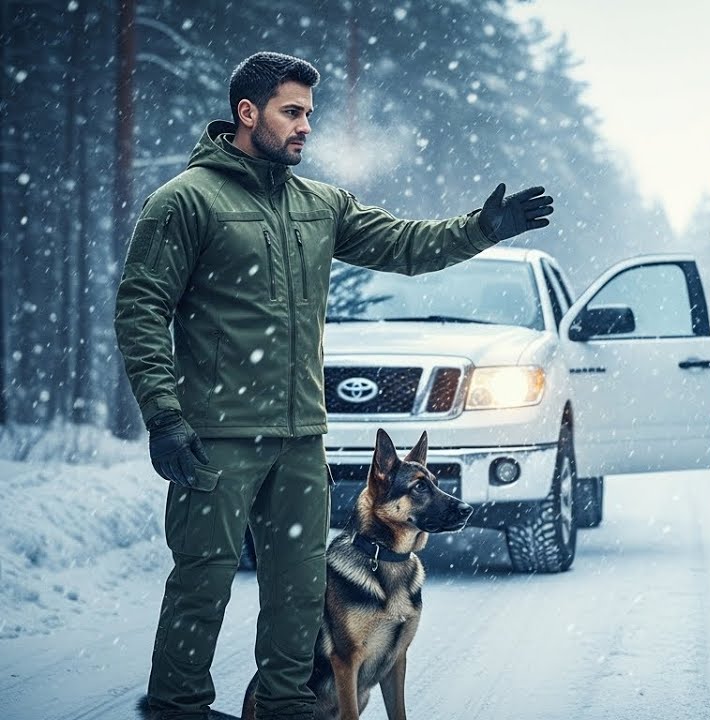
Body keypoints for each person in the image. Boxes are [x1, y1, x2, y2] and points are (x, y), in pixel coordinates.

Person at [114, 52, 554, 720]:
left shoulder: (319, 205)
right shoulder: (186, 201)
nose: (304, 127)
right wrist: (164, 415)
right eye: (291, 112)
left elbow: (407, 245)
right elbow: (141, 307)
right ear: (247, 113)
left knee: (296, 590)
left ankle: (290, 707)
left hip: (299, 440)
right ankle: (178, 707)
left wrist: (483, 228)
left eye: (309, 115)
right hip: (217, 437)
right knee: (202, 582)